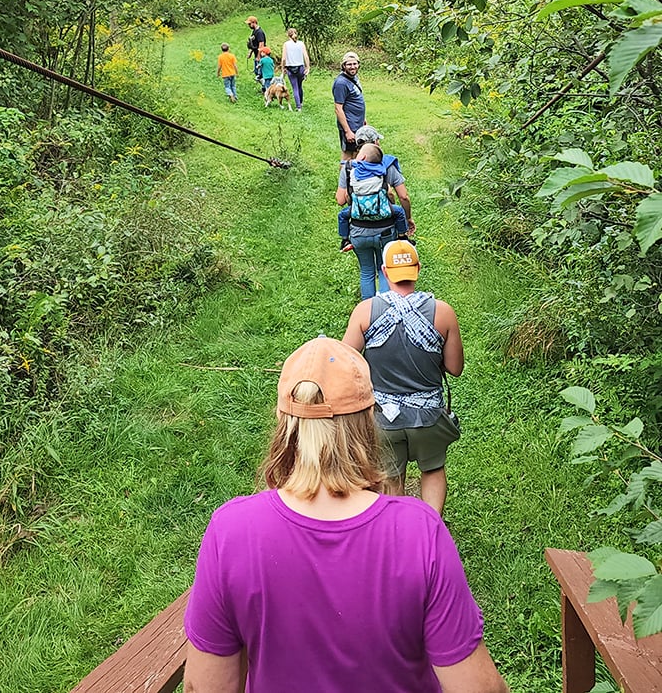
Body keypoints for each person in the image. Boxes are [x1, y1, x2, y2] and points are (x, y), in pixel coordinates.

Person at [183, 336, 508, 693]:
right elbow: (480, 688)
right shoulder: (419, 531)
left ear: (282, 420)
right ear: (369, 418)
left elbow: (205, 686)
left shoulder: (231, 531)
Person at [342, 240, 464, 515]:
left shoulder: (365, 312)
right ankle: (432, 528)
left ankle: (396, 533)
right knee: (432, 468)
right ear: (417, 269)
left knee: (390, 476)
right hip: (430, 417)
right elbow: (455, 369)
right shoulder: (442, 312)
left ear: (384, 272)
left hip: (383, 418)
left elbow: (346, 363)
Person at [336, 140, 414, 299]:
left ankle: (368, 308)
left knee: (366, 271)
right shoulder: (385, 167)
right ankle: (386, 307)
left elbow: (342, 199)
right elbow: (403, 196)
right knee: (383, 268)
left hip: (358, 231)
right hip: (385, 229)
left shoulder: (349, 168)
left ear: (362, 156)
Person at [337, 143, 411, 253]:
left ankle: (345, 240)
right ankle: (402, 237)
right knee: (399, 212)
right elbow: (393, 194)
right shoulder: (382, 169)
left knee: (342, 215)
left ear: (362, 157)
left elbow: (346, 197)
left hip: (359, 219)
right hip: (383, 217)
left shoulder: (352, 170)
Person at [333, 51, 365, 160]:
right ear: (343, 66)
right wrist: (347, 131)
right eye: (349, 64)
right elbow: (338, 108)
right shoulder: (341, 83)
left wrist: (363, 119)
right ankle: (343, 177)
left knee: (357, 154)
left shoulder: (354, 78)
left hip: (358, 123)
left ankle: (352, 177)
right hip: (350, 126)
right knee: (348, 156)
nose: (353, 67)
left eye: (355, 64)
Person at [281, 28, 310, 111]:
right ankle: (300, 102)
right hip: (300, 67)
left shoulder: (286, 44)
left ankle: (298, 107)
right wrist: (307, 67)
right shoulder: (301, 43)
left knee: (295, 87)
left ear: (288, 35)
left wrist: (283, 68)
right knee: (300, 85)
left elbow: (283, 58)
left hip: (290, 68)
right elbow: (306, 56)